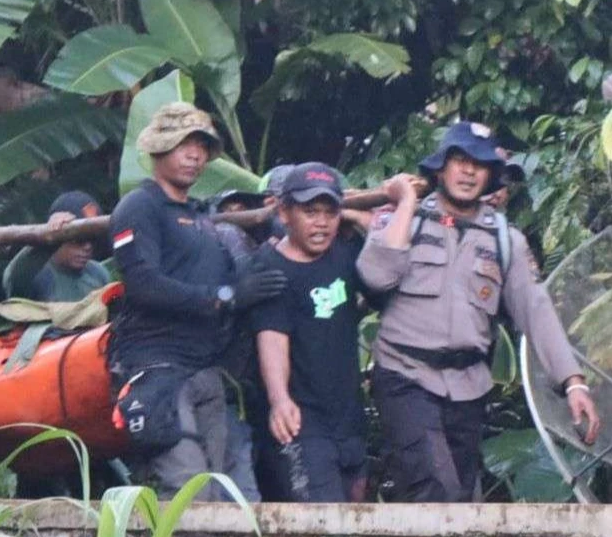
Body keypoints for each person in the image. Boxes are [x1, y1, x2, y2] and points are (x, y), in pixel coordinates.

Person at [357, 121, 601, 502]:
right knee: (435, 488)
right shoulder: (406, 219)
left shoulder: (506, 242)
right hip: (404, 375)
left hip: (468, 387)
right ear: (441, 167)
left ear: (490, 176)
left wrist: (574, 382)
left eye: (479, 164)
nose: (468, 171)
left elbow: (536, 310)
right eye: (459, 159)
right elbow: (374, 277)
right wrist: (405, 203)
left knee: (460, 501)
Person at [108, 102, 287, 500]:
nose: (195, 155)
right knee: (190, 492)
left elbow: (227, 281)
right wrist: (224, 297)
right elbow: (143, 284)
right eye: (183, 144)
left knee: (234, 494)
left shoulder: (202, 218)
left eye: (202, 146)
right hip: (156, 371)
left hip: (206, 371)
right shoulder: (140, 206)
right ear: (158, 150)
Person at [250, 162, 376, 502]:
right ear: (285, 212)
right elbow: (272, 337)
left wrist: (362, 219)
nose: (321, 222)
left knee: (356, 518)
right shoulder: (271, 267)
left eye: (329, 212)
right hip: (302, 423)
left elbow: (387, 270)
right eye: (310, 212)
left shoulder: (346, 256)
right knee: (323, 522)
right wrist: (279, 399)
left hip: (348, 418)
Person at [3, 191, 111, 302]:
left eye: (93, 238)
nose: (88, 247)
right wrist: (50, 234)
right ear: (59, 238)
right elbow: (15, 275)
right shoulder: (35, 275)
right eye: (79, 239)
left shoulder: (98, 273)